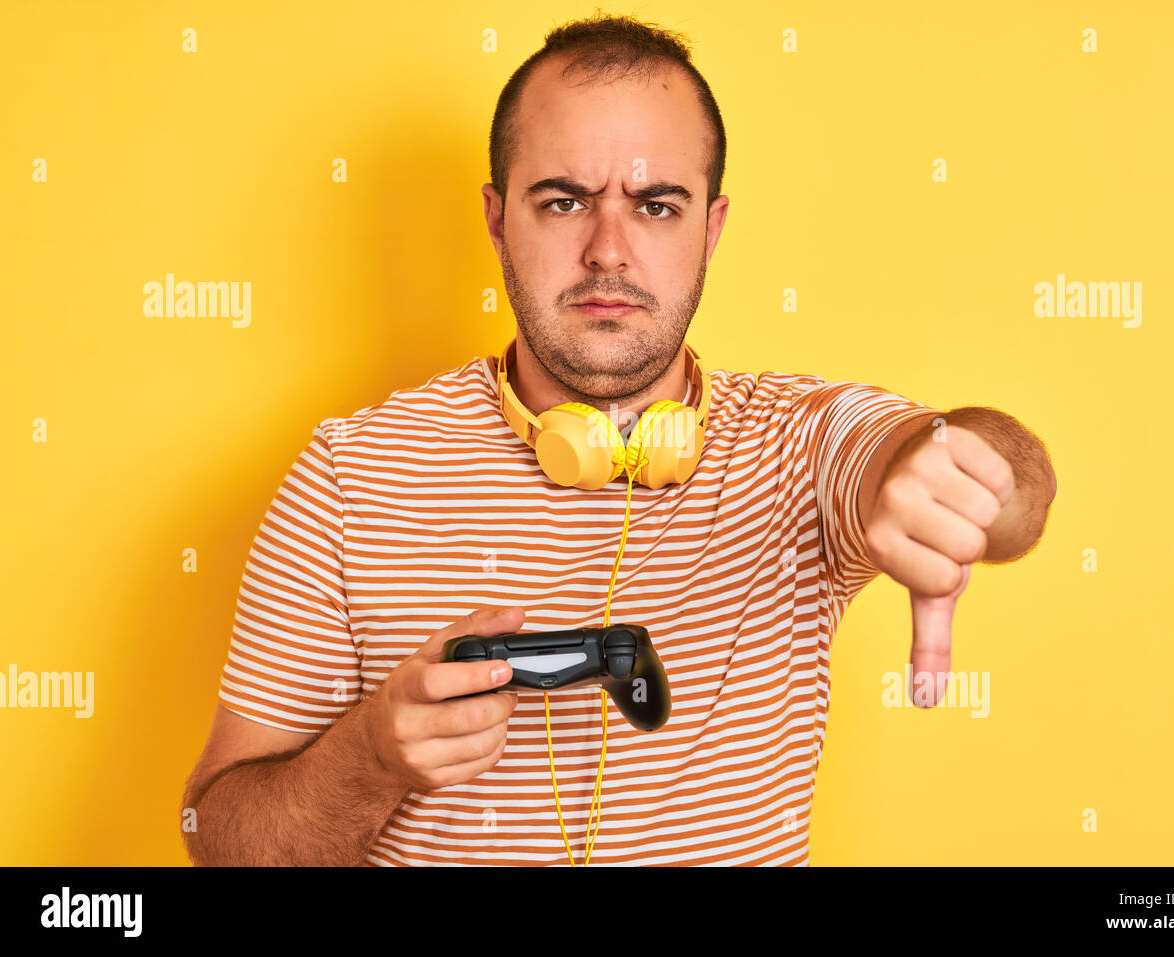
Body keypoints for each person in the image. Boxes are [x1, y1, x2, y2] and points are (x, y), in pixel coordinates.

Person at [181, 13, 1057, 866]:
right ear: (497, 218)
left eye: (656, 206)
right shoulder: (350, 474)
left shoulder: (797, 447)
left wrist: (949, 467)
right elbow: (217, 840)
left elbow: (989, 483)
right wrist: (371, 759)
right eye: (564, 201)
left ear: (711, 227)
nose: (608, 250)